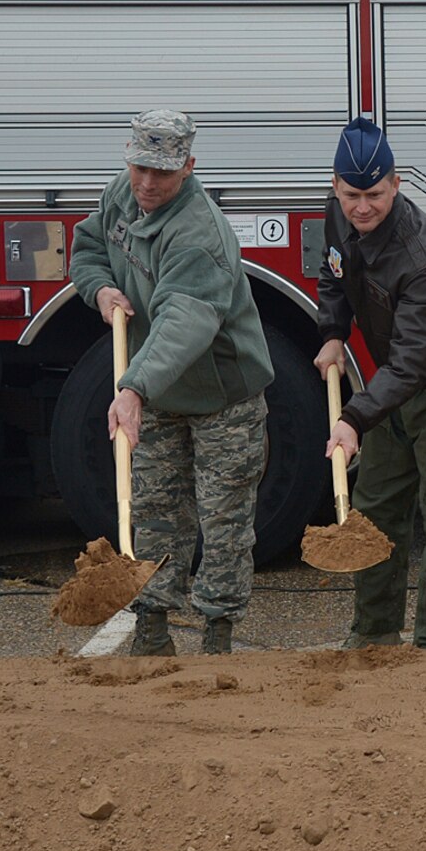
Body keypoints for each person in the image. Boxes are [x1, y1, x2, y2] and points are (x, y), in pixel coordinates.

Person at [70, 110, 274, 656]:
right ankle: (153, 630)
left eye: (161, 172)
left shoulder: (198, 234)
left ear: (188, 166)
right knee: (155, 510)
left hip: (222, 395)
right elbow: (88, 247)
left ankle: (218, 635)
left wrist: (133, 388)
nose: (147, 184)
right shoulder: (123, 192)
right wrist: (99, 290)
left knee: (223, 517)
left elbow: (183, 323)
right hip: (156, 386)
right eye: (139, 167)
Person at [315, 117, 426, 650]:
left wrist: (352, 418)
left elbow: (416, 360)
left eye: (375, 194)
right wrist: (332, 331)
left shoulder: (424, 257)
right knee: (375, 511)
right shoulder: (338, 217)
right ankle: (373, 636)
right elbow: (333, 273)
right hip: (393, 382)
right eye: (352, 195)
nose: (362, 207)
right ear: (336, 186)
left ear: (397, 184)